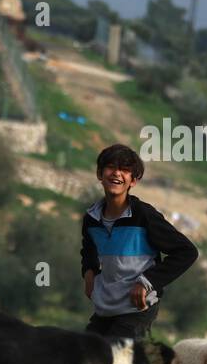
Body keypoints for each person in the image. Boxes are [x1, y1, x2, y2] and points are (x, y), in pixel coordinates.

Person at [80, 144, 198, 339]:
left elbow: (186, 251)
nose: (117, 173)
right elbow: (88, 249)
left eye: (125, 170)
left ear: (133, 181)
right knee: (83, 356)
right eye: (110, 167)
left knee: (114, 358)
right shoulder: (91, 218)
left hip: (138, 308)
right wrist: (89, 272)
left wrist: (146, 282)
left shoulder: (144, 215)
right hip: (107, 306)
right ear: (100, 174)